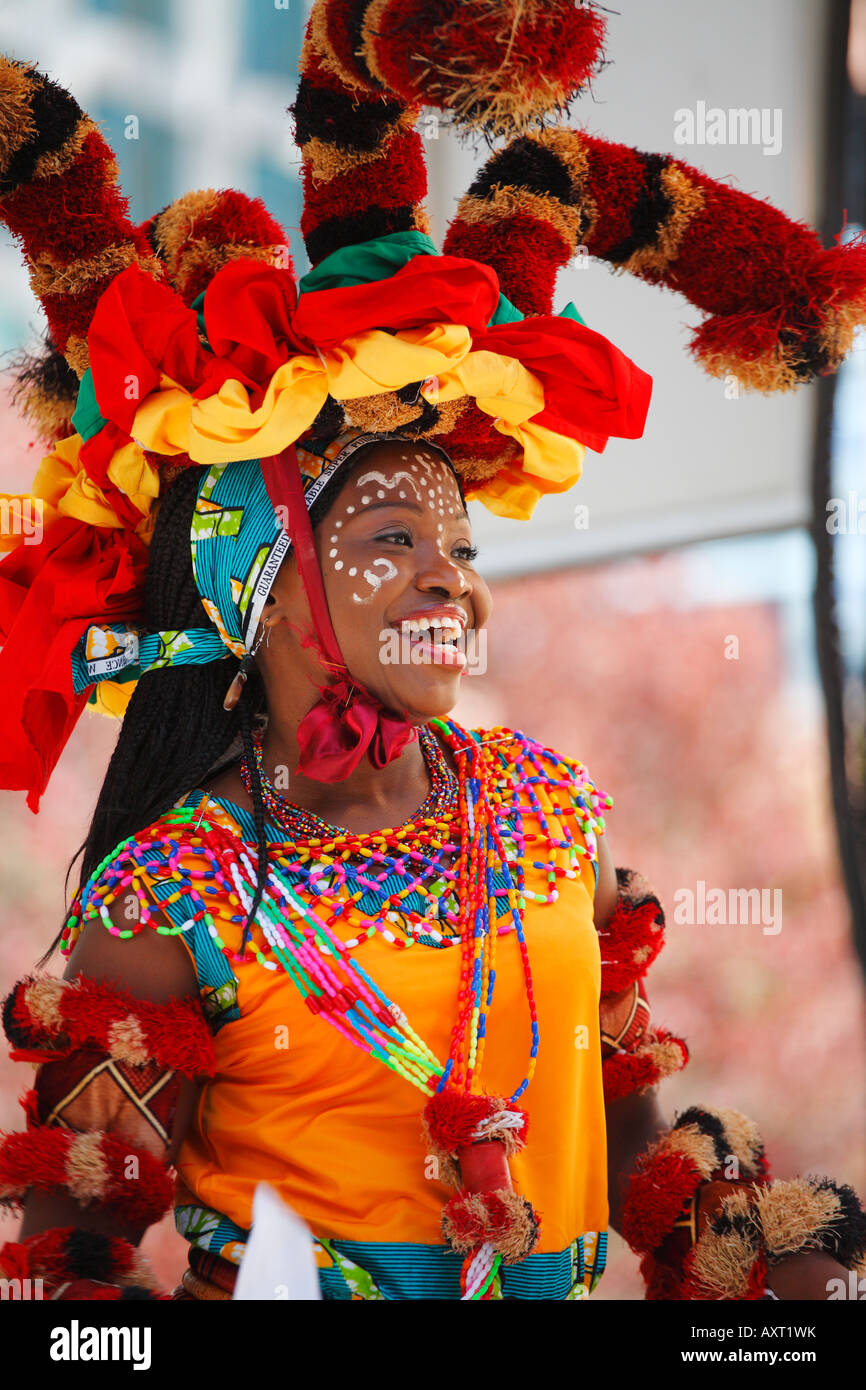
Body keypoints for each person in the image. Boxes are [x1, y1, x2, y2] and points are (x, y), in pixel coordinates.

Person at [1, 1, 865, 1301]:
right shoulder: (169, 888)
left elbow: (638, 1162)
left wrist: (764, 1281)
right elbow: (75, 1287)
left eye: (459, 546)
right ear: (268, 589)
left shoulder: (546, 807)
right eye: (391, 536)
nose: (448, 581)